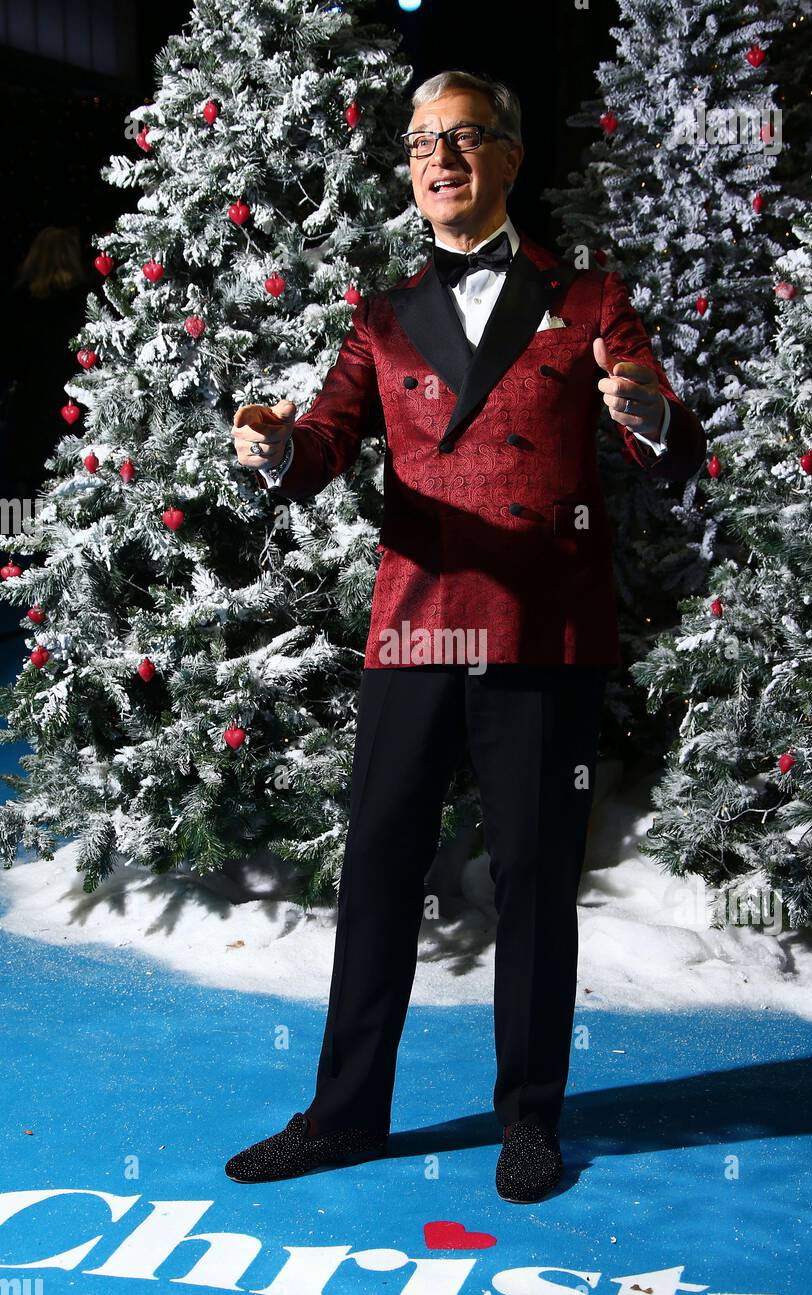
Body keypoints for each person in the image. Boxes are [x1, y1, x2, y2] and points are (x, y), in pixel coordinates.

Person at [225, 70, 705, 1202]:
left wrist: (642, 414)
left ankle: (529, 1120)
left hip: (544, 632)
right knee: (380, 866)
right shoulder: (381, 316)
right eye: (418, 144)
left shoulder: (587, 298)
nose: (437, 158)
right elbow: (325, 446)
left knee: (535, 877)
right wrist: (274, 447)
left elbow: (666, 440)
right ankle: (341, 1115)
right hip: (414, 627)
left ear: (507, 156)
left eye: (462, 138)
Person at [0, 227, 90, 508]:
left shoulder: (16, 305)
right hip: (73, 409)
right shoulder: (85, 302)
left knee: (24, 506)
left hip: (30, 412)